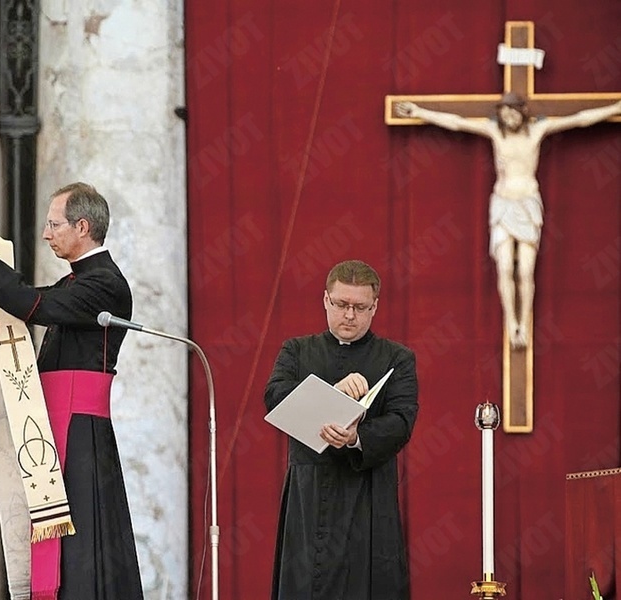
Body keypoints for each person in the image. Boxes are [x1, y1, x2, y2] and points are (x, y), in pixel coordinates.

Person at [0, 182, 143, 599]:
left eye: (54, 224)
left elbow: (34, 307)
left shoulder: (105, 284)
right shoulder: (78, 282)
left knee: (82, 543)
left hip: (79, 427)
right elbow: (29, 297)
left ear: (82, 226)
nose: (45, 233)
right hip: (52, 421)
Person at [396, 95, 621, 348]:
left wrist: (614, 108)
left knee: (525, 270)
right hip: (503, 205)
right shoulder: (495, 132)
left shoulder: (538, 131)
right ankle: (511, 323)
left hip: (527, 205)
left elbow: (579, 120)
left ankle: (523, 324)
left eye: (513, 114)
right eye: (504, 114)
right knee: (504, 267)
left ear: (522, 112)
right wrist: (420, 111)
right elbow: (457, 122)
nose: (509, 119)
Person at [264, 259, 419, 600]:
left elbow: (402, 420)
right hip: (309, 491)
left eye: (360, 307)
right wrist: (331, 393)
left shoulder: (398, 358)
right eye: (341, 304)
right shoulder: (297, 350)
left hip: (368, 495)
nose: (349, 315)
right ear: (325, 300)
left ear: (375, 307)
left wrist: (357, 437)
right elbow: (274, 397)